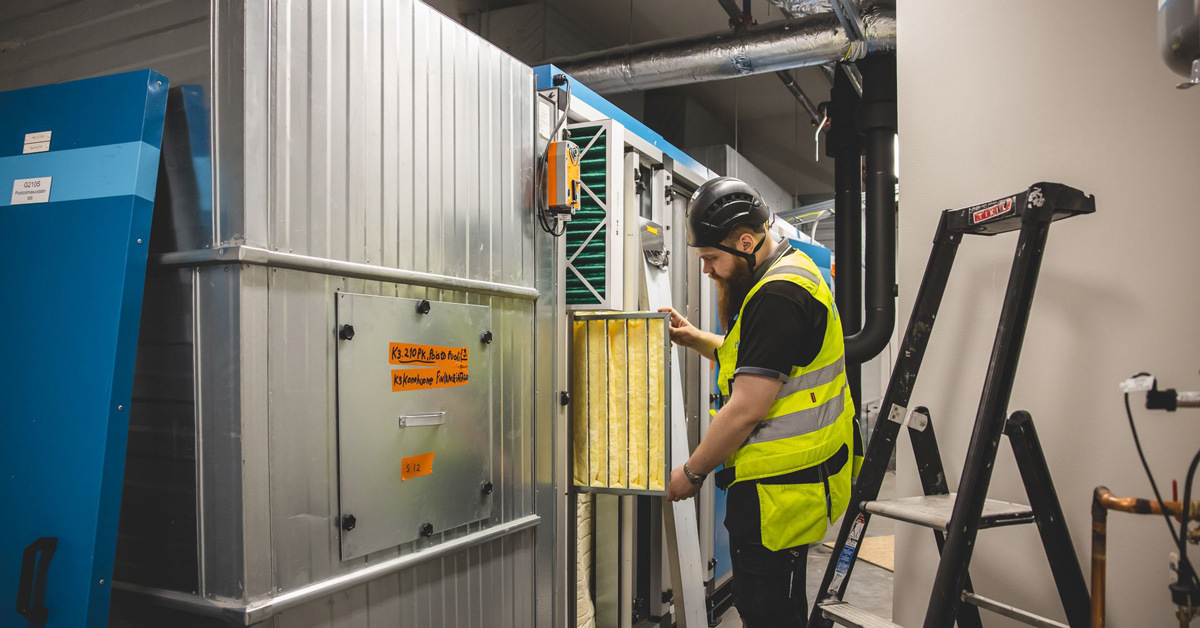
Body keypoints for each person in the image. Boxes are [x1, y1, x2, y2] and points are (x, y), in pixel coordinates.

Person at [662, 177, 861, 628]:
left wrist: (692, 472)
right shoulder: (791, 269)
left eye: (711, 258)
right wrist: (693, 337)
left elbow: (747, 408)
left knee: (767, 613)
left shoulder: (776, 296)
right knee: (779, 607)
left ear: (746, 243)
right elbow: (758, 360)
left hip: (778, 492)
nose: (707, 270)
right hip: (794, 483)